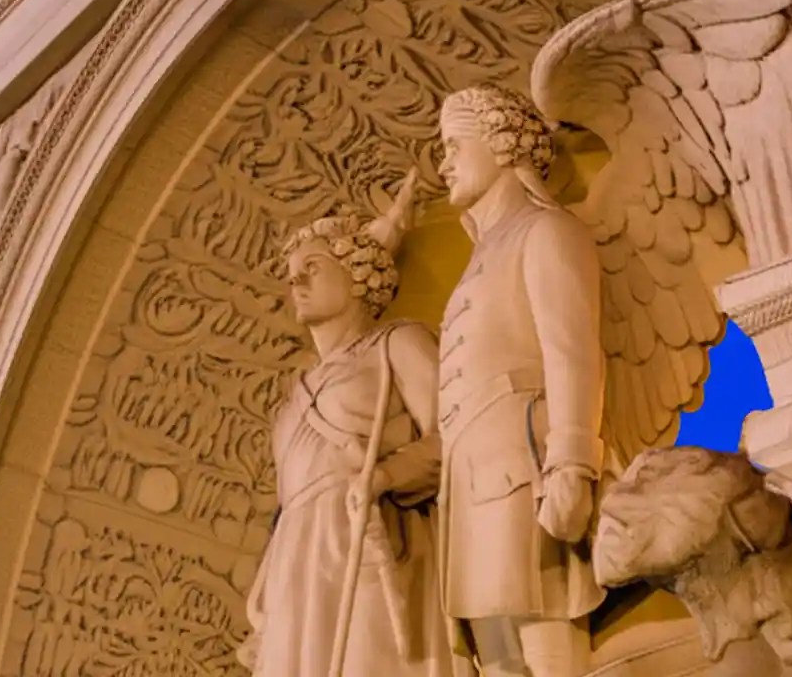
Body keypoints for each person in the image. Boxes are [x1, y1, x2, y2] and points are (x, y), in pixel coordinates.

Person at [239, 189, 463, 677]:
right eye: (292, 271)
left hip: (369, 537)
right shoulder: (292, 398)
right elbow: (283, 516)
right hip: (298, 561)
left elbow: (455, 438)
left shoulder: (396, 344)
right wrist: (262, 610)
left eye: (313, 267)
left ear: (358, 271)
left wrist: (385, 475)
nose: (296, 279)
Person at [435, 84, 606, 677]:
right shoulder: (482, 252)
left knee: (547, 647)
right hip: (471, 482)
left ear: (501, 143)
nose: (444, 161)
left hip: (524, 471)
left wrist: (573, 464)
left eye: (455, 145)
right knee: (497, 659)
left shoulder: (546, 231)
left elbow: (572, 352)